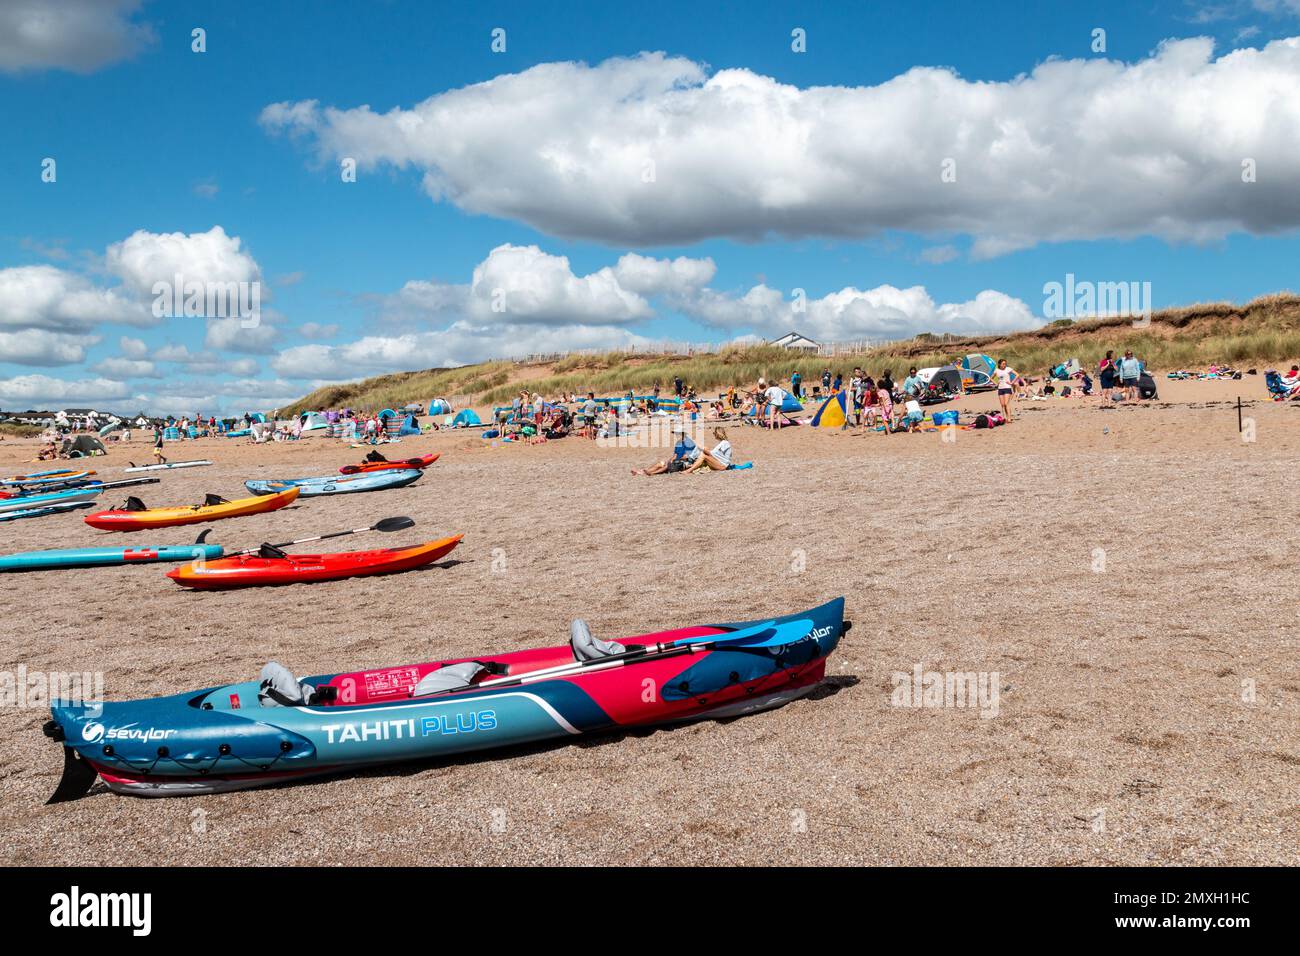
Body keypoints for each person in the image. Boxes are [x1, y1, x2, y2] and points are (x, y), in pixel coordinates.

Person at [632, 423, 699, 475]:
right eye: (676, 433)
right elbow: (675, 454)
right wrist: (670, 460)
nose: (676, 435)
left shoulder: (689, 442)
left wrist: (675, 460)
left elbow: (688, 457)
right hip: (677, 461)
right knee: (660, 463)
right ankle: (644, 472)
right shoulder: (678, 443)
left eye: (678, 433)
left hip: (686, 463)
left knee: (668, 465)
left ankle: (653, 473)